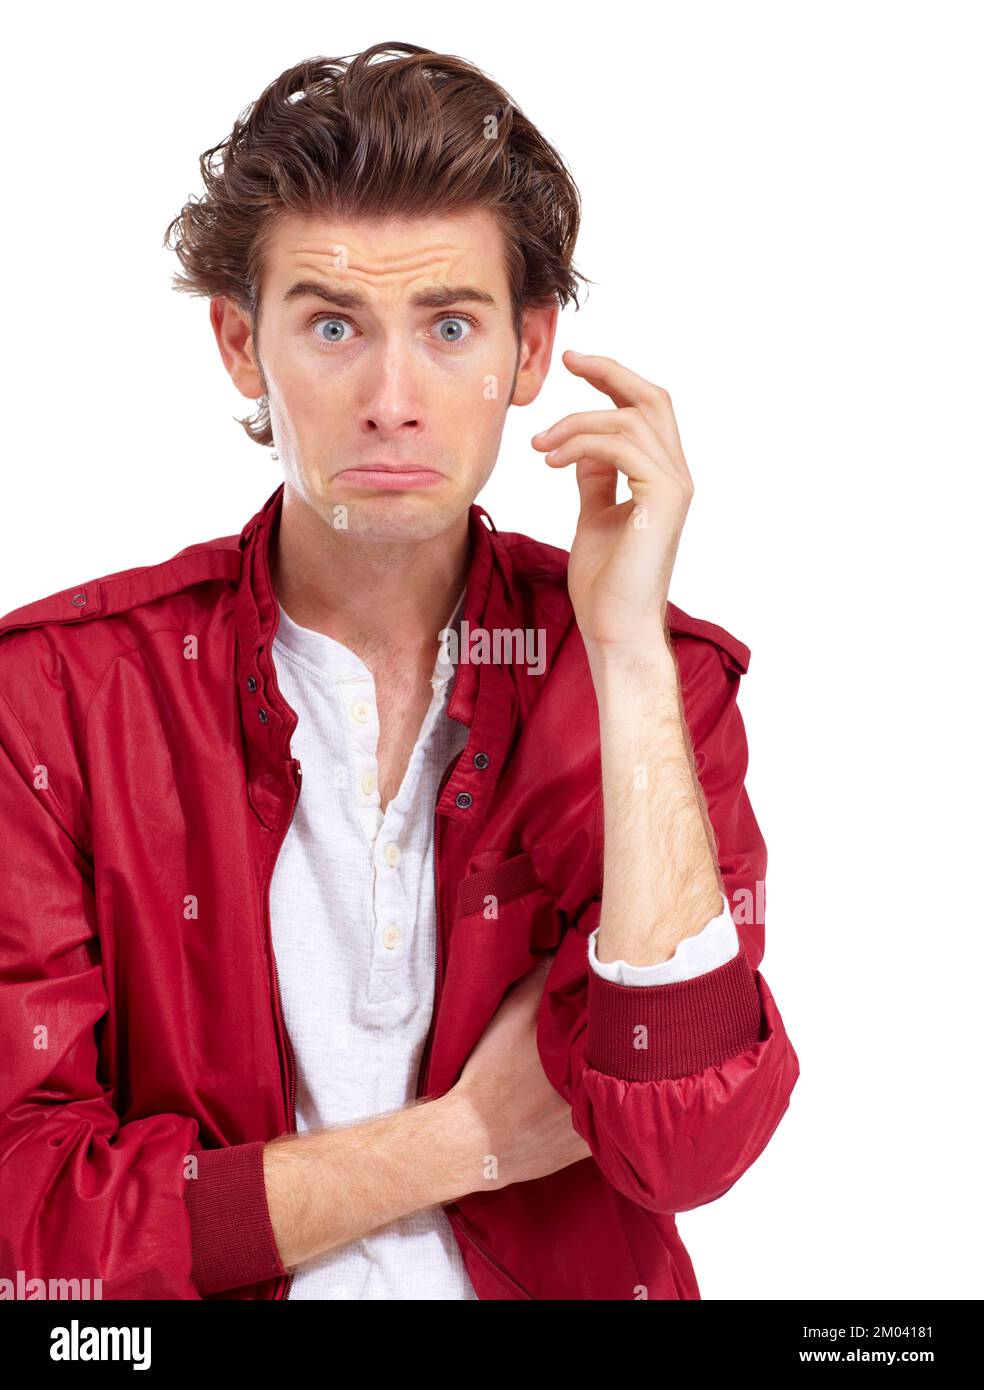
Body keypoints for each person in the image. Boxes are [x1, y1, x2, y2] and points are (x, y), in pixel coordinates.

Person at [0, 41, 799, 1301]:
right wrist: (466, 1139)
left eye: (449, 326)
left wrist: (629, 654)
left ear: (530, 352)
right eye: (330, 323)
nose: (390, 397)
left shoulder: (653, 677)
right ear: (238, 343)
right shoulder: (55, 696)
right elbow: (32, 1226)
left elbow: (687, 1141)